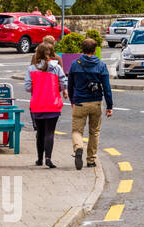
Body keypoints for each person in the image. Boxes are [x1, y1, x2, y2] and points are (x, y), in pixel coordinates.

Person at [67, 38, 113, 170]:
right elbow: (107, 88)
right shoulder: (101, 66)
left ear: (82, 49)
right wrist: (109, 106)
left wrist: (72, 100)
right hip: (96, 103)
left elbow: (70, 85)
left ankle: (78, 148)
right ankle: (91, 160)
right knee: (94, 132)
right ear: (95, 50)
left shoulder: (75, 65)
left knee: (77, 131)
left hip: (80, 103)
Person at [25, 44, 66, 168]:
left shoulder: (31, 69)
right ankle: (48, 158)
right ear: (52, 54)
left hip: (37, 103)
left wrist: (37, 88)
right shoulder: (57, 68)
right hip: (53, 103)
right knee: (50, 132)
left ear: (37, 54)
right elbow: (64, 84)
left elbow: (27, 87)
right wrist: (55, 88)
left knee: (40, 132)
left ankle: (39, 159)